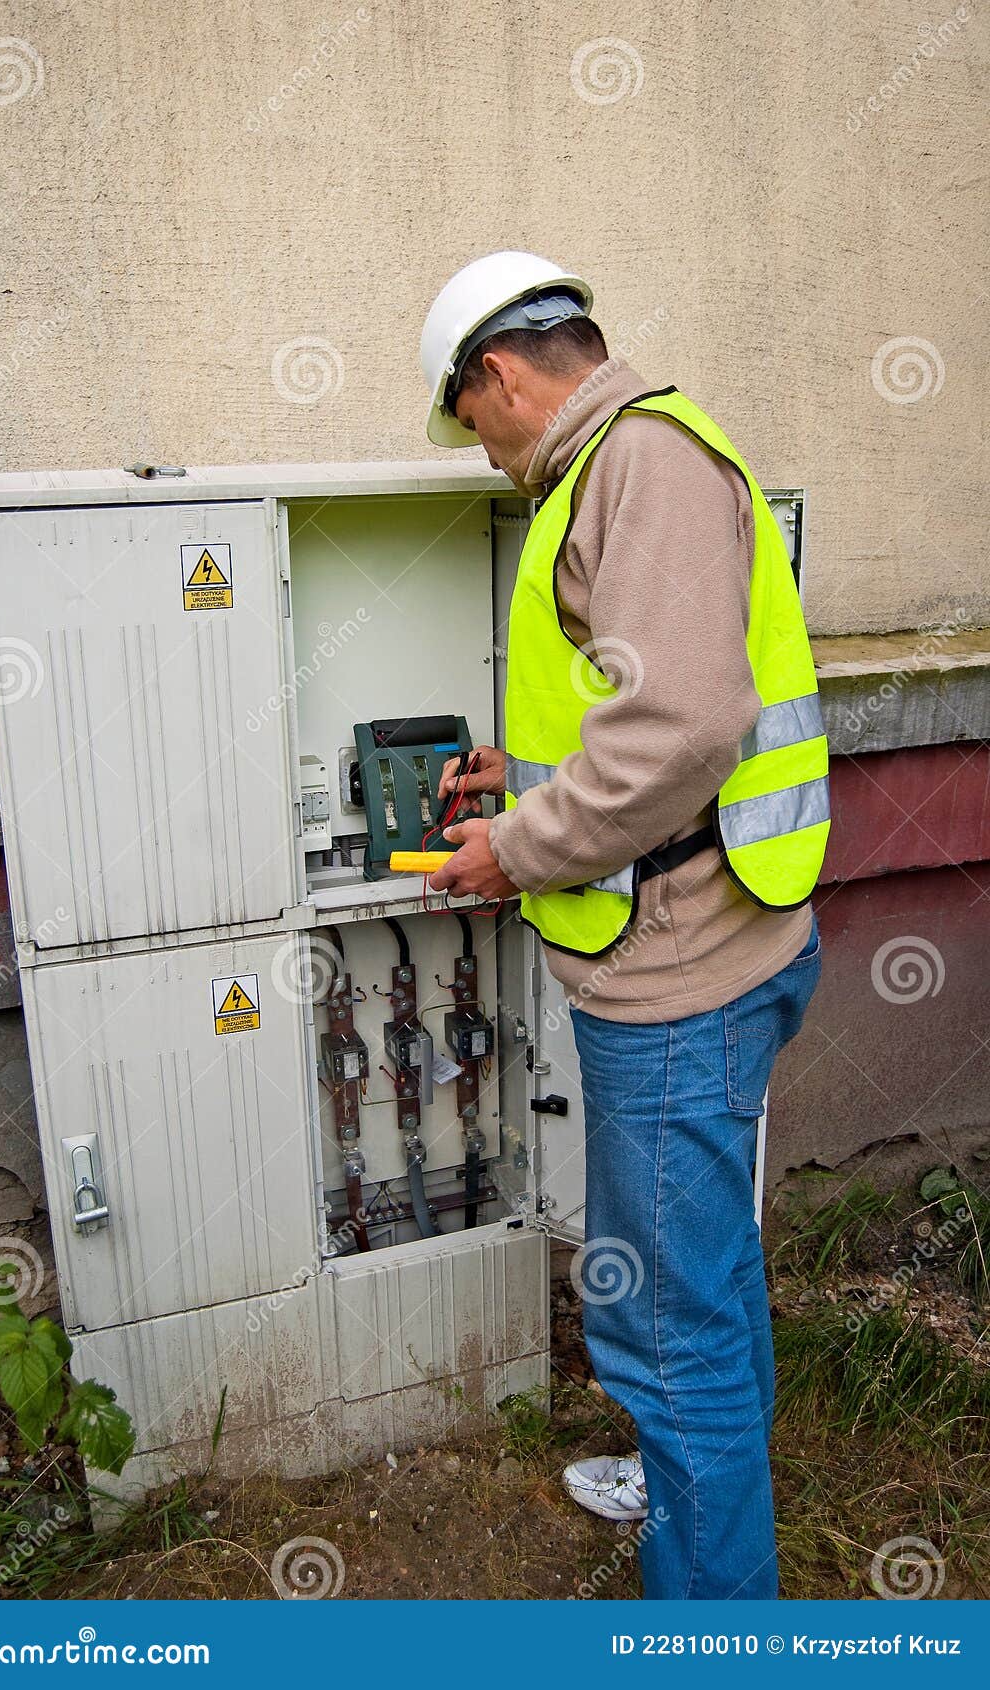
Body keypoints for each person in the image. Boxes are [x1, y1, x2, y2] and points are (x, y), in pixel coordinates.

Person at [419, 252, 829, 1600]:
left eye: (468, 418)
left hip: (678, 983)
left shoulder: (634, 464)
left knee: (664, 1320)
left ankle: (714, 1616)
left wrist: (515, 848)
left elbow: (684, 726)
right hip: (721, 946)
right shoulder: (632, 460)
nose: (480, 450)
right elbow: (636, 709)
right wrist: (517, 780)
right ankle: (704, 1486)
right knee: (701, 1284)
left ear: (503, 376)